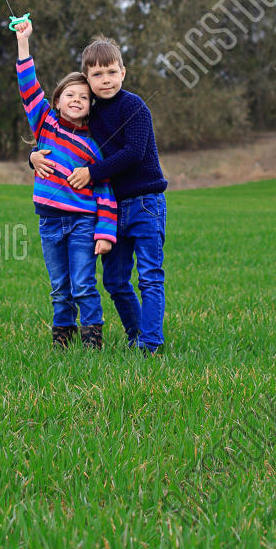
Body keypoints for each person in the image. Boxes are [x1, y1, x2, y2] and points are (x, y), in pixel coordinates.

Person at [32, 36, 168, 354]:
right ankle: (135, 333)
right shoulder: (90, 116)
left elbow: (134, 152)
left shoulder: (134, 106)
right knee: (115, 280)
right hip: (111, 208)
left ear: (123, 72)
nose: (105, 79)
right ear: (87, 80)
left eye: (111, 72)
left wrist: (93, 173)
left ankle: (150, 343)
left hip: (146, 202)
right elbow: (65, 144)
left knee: (149, 275)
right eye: (96, 74)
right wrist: (33, 156)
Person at [13, 20, 117, 349]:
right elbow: (28, 86)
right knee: (59, 285)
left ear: (90, 107)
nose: (76, 100)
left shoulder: (94, 145)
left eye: (83, 97)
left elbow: (104, 191)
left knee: (84, 282)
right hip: (49, 221)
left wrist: (105, 234)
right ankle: (62, 341)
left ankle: (92, 343)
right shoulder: (45, 124)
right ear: (57, 101)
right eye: (69, 95)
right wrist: (24, 42)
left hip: (84, 222)